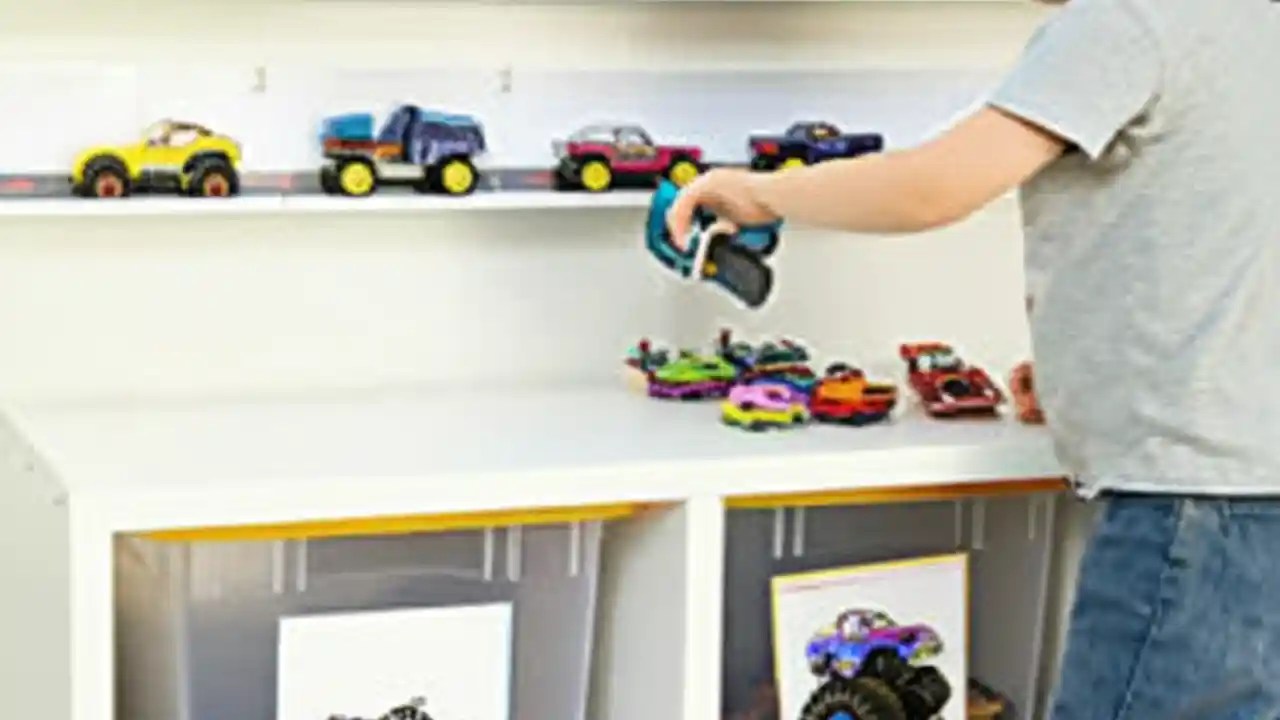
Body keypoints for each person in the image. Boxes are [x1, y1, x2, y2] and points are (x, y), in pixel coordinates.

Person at [667, 0, 1280, 717]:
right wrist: (1098, 370)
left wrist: (759, 192)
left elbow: (934, 186)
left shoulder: (1123, 21)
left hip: (1191, 505)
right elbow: (1218, 235)